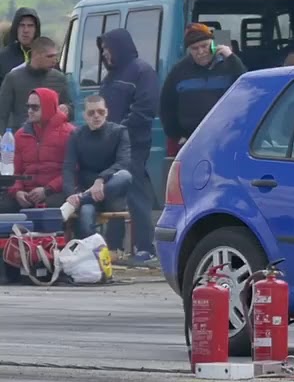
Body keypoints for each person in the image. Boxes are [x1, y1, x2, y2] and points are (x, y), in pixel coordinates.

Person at [97, 28, 159, 263]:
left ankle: (145, 247)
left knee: (137, 195)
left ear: (118, 48)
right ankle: (114, 247)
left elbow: (145, 109)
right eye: (103, 49)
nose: (104, 54)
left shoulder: (143, 71)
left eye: (107, 49)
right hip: (111, 146)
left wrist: (119, 131)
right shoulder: (110, 76)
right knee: (114, 194)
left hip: (134, 145)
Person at [160, 23, 246, 157]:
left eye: (204, 46)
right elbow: (166, 107)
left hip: (226, 139)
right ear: (189, 50)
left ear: (214, 44)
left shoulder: (229, 66)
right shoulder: (179, 71)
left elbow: (246, 89)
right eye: (195, 48)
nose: (200, 52)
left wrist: (231, 57)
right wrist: (177, 136)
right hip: (191, 141)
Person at [60, 95, 133, 240]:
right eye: (91, 113)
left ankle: (83, 199)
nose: (96, 116)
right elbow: (68, 167)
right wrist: (70, 195)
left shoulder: (119, 132)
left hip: (110, 191)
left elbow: (123, 162)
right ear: (84, 115)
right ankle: (92, 255)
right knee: (86, 218)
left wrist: (101, 179)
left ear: (106, 112)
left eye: (100, 112)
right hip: (87, 192)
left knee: (125, 176)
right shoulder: (77, 135)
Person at [0, 89, 73, 214]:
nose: (29, 111)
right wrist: (17, 191)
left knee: (47, 210)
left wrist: (47, 190)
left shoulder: (70, 133)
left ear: (49, 107)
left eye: (35, 107)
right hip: (25, 193)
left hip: (54, 192)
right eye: (28, 107)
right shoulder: (20, 135)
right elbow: (13, 170)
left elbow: (72, 171)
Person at [0, 36, 72, 131]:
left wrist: (66, 108)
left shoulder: (59, 78)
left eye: (56, 56)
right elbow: (2, 113)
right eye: (49, 56)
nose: (55, 60)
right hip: (22, 136)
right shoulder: (13, 78)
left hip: (51, 135)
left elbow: (71, 110)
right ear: (36, 55)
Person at [0, 7, 41, 81]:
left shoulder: (45, 55)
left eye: (30, 25)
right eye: (22, 25)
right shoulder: (3, 57)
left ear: (36, 29)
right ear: (16, 28)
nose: (26, 30)